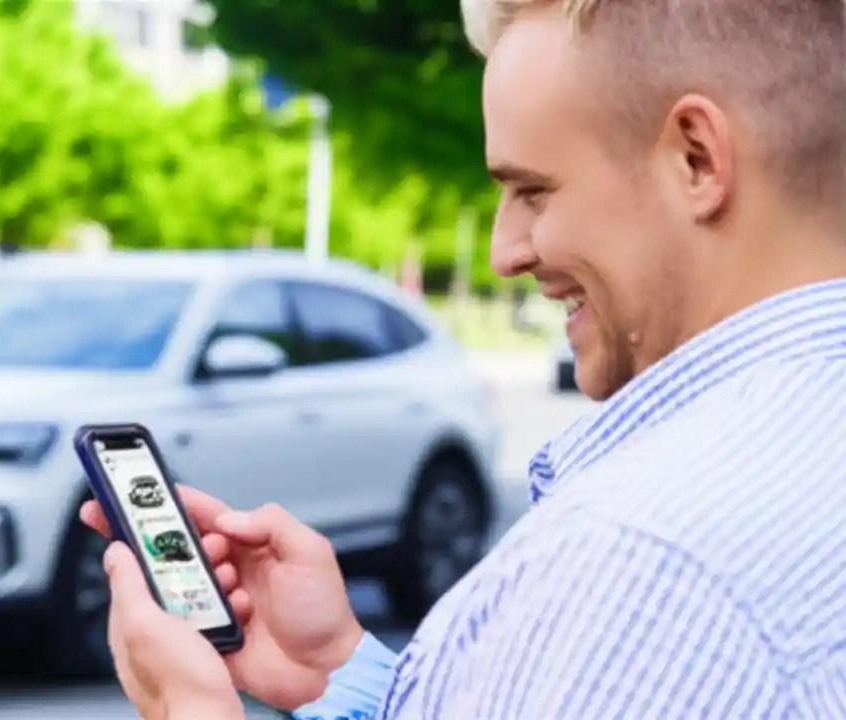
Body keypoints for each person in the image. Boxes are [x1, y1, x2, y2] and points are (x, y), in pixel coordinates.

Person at [82, 0, 846, 716]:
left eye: (534, 193)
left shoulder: (636, 568)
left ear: (697, 160)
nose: (504, 252)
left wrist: (193, 708)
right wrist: (342, 678)